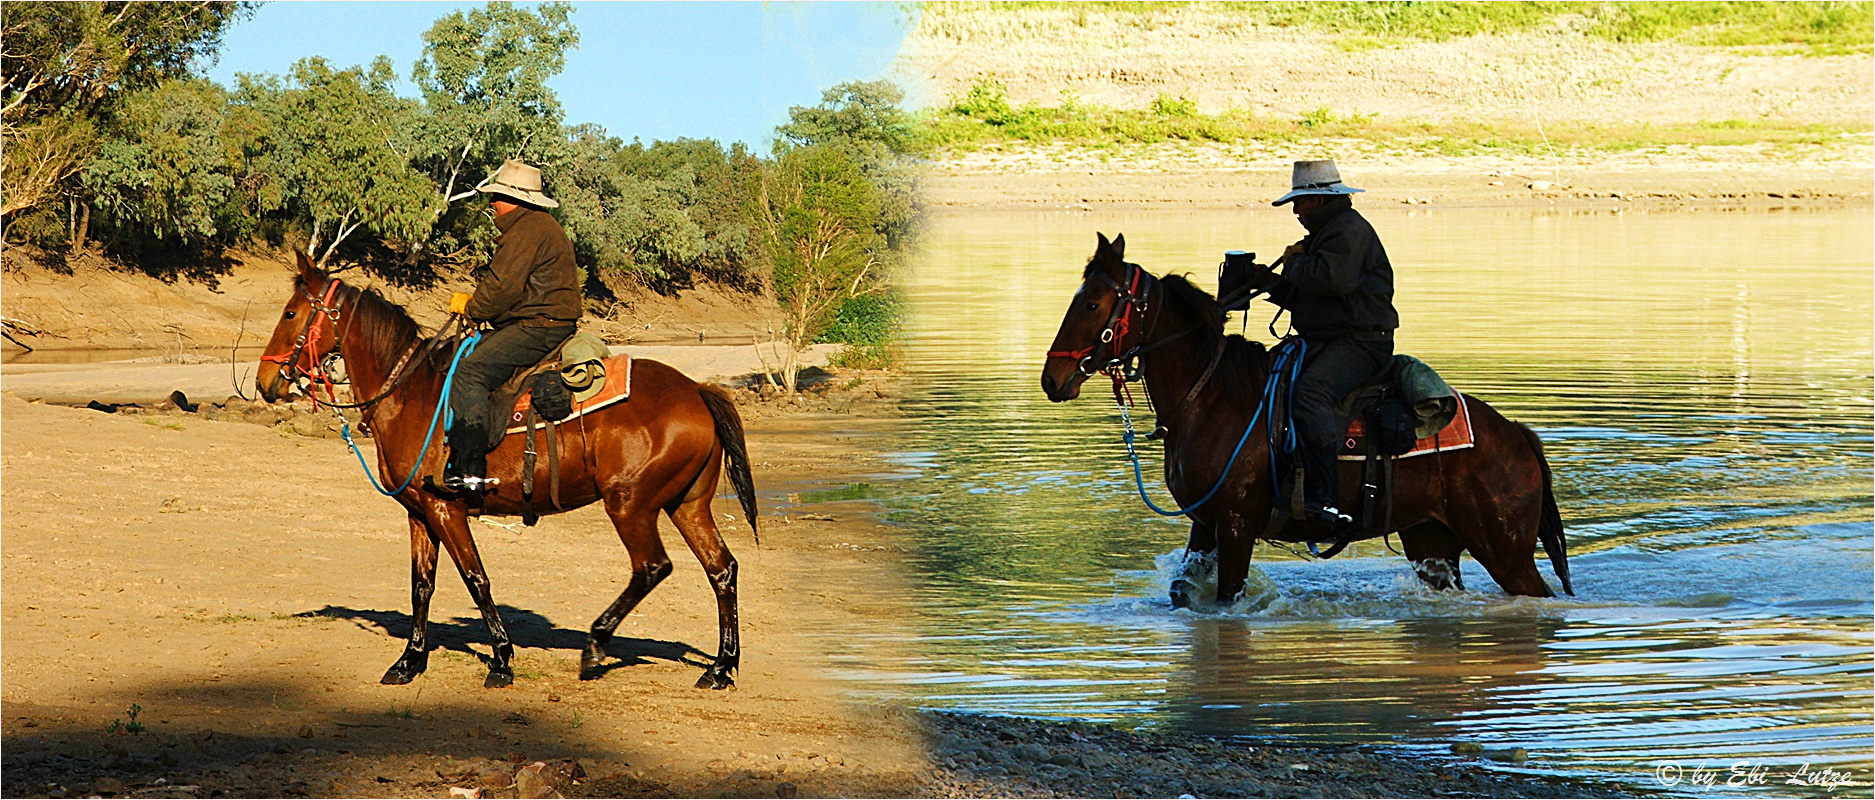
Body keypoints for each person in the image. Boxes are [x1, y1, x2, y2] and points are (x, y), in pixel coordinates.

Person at [1249, 160, 1398, 529]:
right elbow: (1314, 294)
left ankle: (1325, 498)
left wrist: (1294, 263)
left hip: (1362, 343)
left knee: (1310, 394)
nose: (1295, 211)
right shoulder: (1327, 231)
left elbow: (1334, 281)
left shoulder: (1347, 230)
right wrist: (1265, 282)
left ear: (1317, 199)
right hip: (1333, 339)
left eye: (1299, 203)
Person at [442, 159, 582, 492]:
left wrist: (473, 309)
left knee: (470, 372)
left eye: (497, 197)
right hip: (544, 321)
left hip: (539, 326)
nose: (492, 204)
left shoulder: (525, 231)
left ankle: (470, 470)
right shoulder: (538, 226)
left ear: (516, 199)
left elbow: (501, 287)